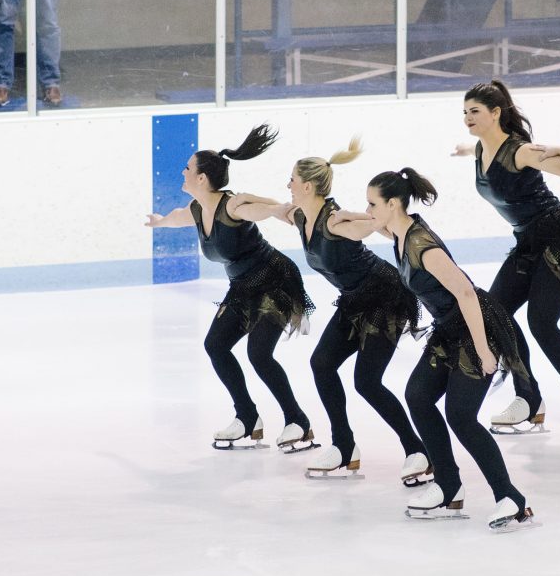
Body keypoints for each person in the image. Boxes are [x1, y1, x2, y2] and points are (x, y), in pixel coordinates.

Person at [225, 139, 432, 487]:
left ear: (307, 186)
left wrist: (359, 216)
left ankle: (418, 450)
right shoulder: (300, 215)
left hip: (385, 298)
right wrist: (238, 200)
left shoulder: (335, 222)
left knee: (367, 382)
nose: (288, 185)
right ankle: (344, 446)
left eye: (292, 180)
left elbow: (375, 223)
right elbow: (272, 207)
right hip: (353, 300)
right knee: (322, 363)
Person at [365, 168, 534, 531]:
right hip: (448, 330)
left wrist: (484, 352)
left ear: (393, 204)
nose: (368, 211)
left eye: (372, 204)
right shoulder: (398, 232)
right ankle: (447, 485)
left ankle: (511, 498)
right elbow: (366, 224)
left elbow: (466, 293)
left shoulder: (421, 246)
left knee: (460, 415)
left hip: (477, 328)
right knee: (418, 395)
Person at [453, 80, 560, 438]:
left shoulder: (519, 151)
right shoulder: (481, 148)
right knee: (495, 314)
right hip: (527, 241)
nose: (467, 118)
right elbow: (478, 151)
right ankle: (529, 398)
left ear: (496, 113)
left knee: (542, 323)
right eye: (464, 112)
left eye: (475, 111)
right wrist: (465, 149)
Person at [145, 125, 316, 453]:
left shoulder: (233, 205)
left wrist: (277, 210)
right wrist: (160, 222)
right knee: (216, 345)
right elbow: (179, 216)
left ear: (202, 178)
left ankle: (298, 420)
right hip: (243, 287)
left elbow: (257, 209)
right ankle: (247, 417)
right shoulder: (198, 209)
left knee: (258, 354)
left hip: (275, 280)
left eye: (187, 168)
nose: (183, 172)